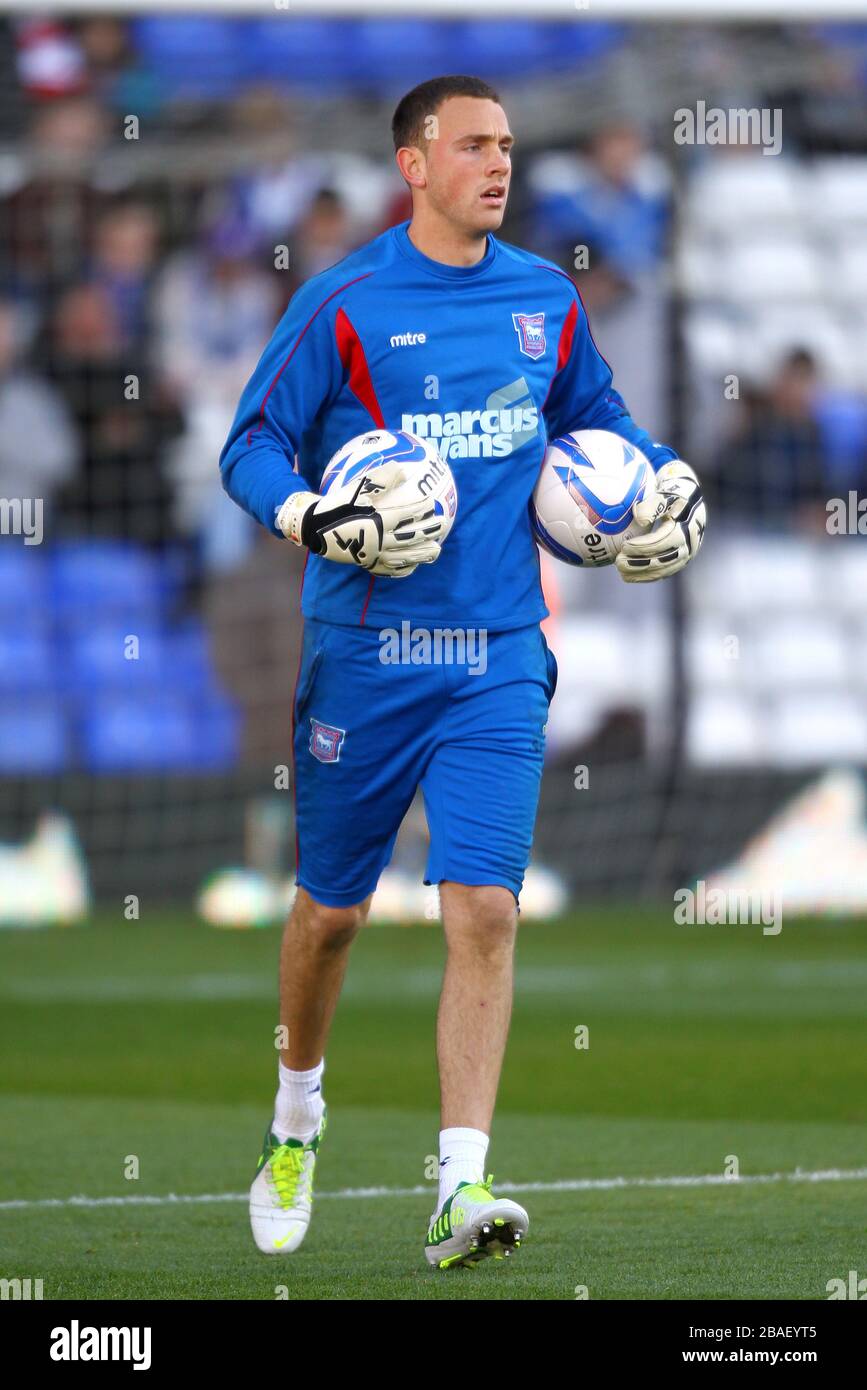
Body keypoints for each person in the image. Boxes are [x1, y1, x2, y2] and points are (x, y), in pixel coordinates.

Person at [220, 74, 706, 1272]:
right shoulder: (345, 302)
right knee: (329, 916)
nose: (498, 163)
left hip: (497, 655)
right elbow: (250, 446)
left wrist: (660, 475)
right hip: (367, 656)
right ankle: (295, 1122)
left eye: (507, 145)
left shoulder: (547, 297)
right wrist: (313, 519)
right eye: (474, 144)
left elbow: (601, 418)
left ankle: (460, 1184)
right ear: (413, 164)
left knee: (484, 906)